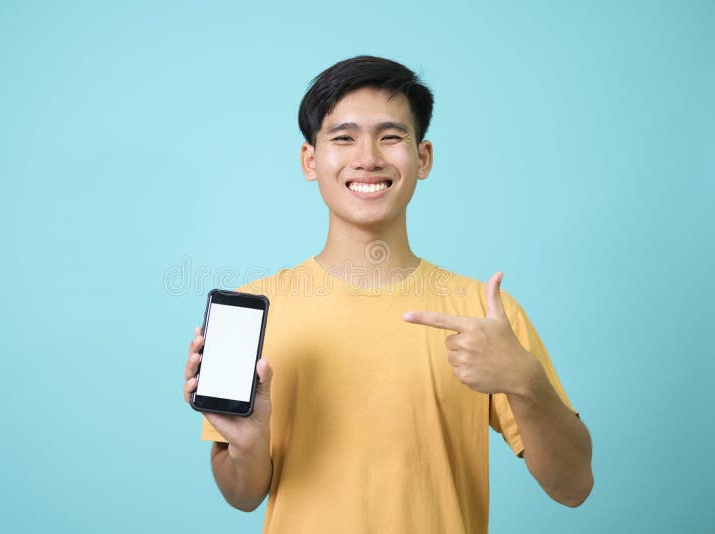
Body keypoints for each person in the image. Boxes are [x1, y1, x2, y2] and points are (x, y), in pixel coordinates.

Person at [183, 55, 593, 533]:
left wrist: (527, 381)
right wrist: (248, 445)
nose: (368, 157)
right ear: (310, 161)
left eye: (392, 136)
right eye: (343, 137)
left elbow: (573, 486)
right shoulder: (259, 310)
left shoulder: (483, 316)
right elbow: (243, 496)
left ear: (423, 158)